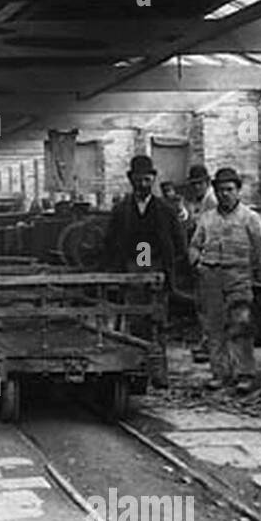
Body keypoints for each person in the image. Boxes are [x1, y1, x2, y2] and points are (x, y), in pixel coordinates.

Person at [188, 167, 261, 393]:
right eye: (220, 190)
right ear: (215, 192)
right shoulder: (207, 218)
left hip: (239, 277)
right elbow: (194, 245)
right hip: (211, 278)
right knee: (214, 328)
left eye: (229, 189)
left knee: (241, 325)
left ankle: (245, 375)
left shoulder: (250, 218)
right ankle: (220, 374)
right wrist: (196, 264)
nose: (224, 194)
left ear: (238, 191)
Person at [102, 155, 185, 387]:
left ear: (154, 179)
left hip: (157, 273)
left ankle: (159, 373)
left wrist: (166, 267)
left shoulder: (165, 211)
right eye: (138, 180)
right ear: (131, 180)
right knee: (134, 322)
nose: (143, 184)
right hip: (131, 273)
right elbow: (110, 242)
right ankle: (136, 373)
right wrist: (116, 273)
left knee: (158, 323)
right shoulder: (121, 211)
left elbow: (179, 244)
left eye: (147, 180)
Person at [182, 164, 218, 364]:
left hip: (209, 259)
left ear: (207, 182)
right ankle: (208, 342)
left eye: (199, 184)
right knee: (203, 304)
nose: (197, 187)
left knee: (208, 304)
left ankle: (210, 345)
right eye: (194, 184)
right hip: (202, 255)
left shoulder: (211, 201)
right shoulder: (203, 201)